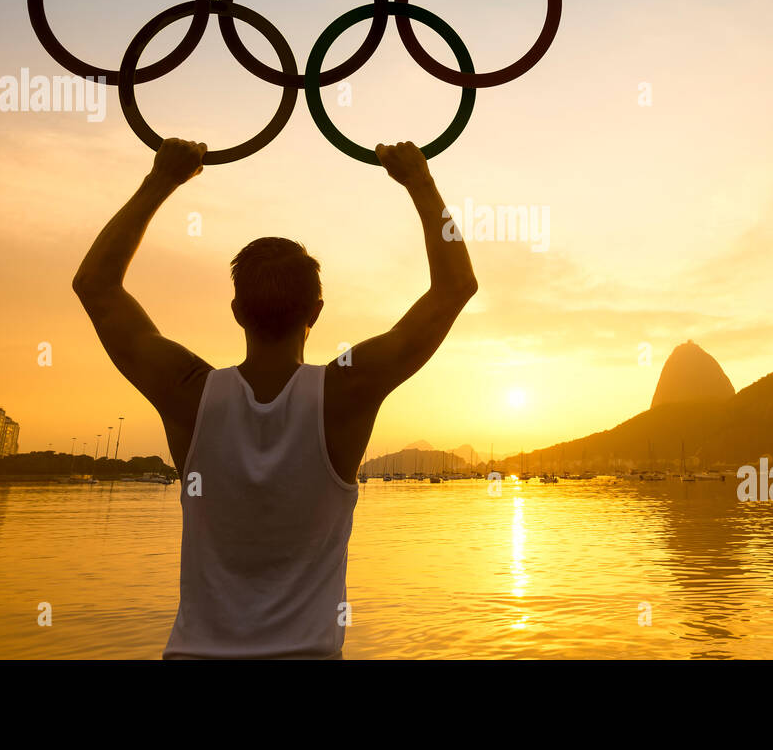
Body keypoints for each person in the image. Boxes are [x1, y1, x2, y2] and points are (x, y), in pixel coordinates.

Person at [71, 137, 477, 658]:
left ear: (237, 310)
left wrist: (163, 179)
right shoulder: (344, 393)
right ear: (316, 312)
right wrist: (418, 180)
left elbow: (96, 287)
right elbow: (454, 288)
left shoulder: (188, 393)